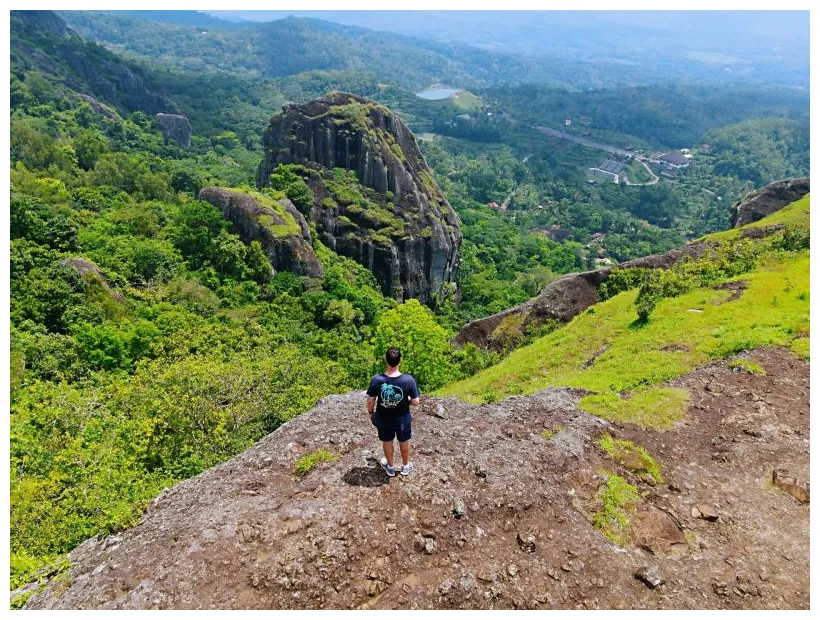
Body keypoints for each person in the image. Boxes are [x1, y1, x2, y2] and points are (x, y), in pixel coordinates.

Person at [366, 346, 420, 477]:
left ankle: (390, 467)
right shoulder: (408, 380)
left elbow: (370, 400)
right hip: (403, 420)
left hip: (383, 419)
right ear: (400, 360)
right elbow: (416, 401)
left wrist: (371, 413)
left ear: (386, 360)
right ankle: (406, 466)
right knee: (404, 441)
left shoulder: (377, 380)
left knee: (387, 441)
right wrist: (405, 400)